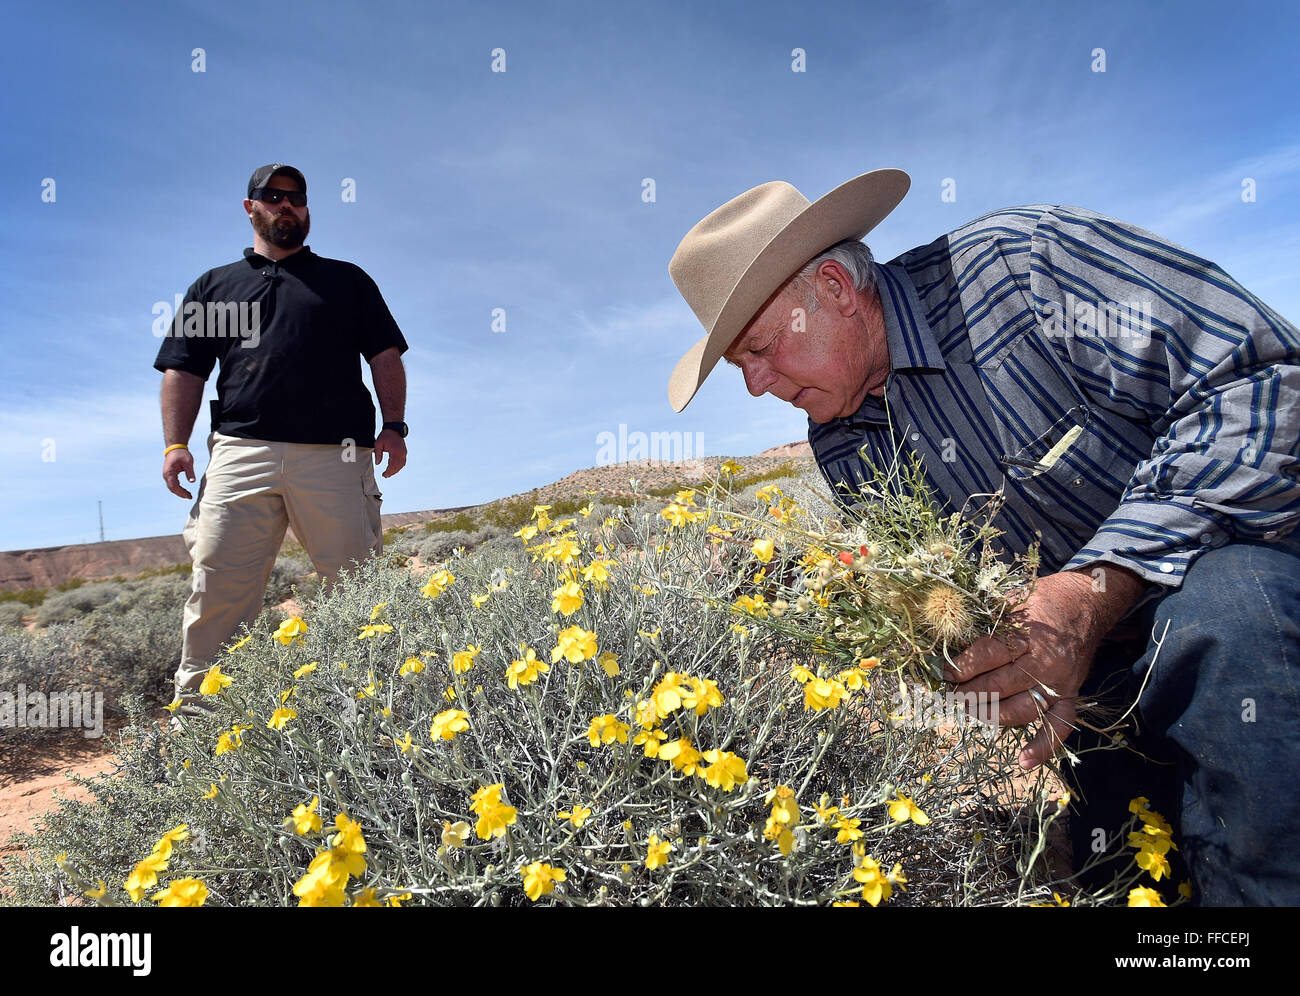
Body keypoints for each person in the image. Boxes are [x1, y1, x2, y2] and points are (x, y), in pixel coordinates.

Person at [666, 168, 1300, 905]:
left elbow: (1261, 381)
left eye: (761, 348)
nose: (754, 385)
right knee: (1121, 869)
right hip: (1096, 669)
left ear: (835, 288)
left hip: (1242, 587)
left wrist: (1091, 587)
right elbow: (957, 591)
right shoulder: (841, 438)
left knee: (1227, 624)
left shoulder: (1025, 269)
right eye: (743, 366)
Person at [154, 163, 410, 716]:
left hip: (336, 454)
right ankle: (200, 724)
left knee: (359, 589)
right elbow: (184, 370)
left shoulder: (347, 281)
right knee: (218, 590)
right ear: (251, 208)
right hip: (241, 452)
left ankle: (382, 709)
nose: (287, 205)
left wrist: (393, 426)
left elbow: (385, 355)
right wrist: (176, 445)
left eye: (297, 197)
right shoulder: (215, 286)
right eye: (274, 197)